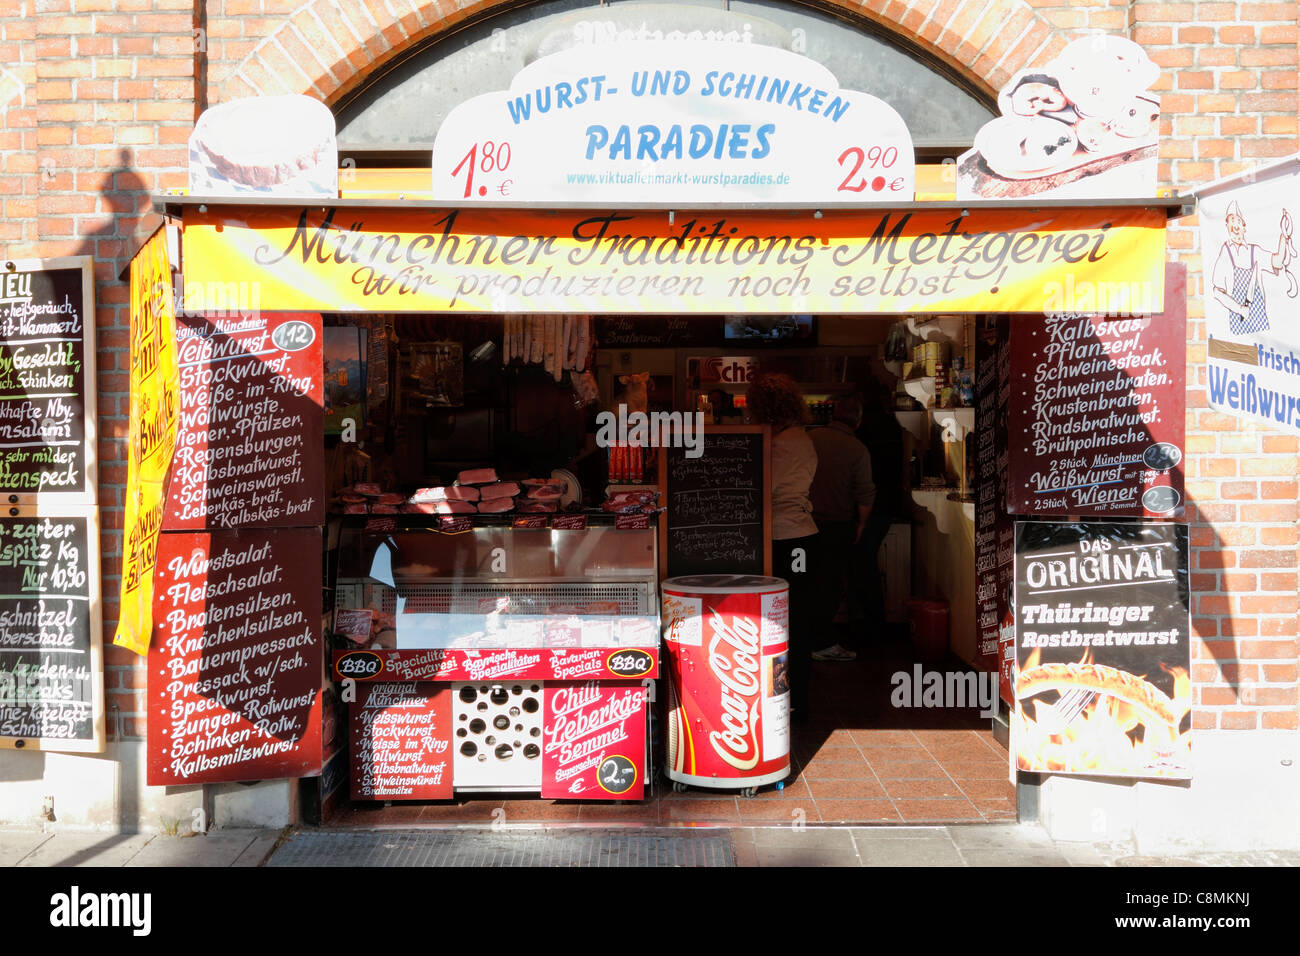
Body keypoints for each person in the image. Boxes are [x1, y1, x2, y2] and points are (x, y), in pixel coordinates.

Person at [745, 372, 818, 720]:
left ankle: (786, 696)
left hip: (783, 538)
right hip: (802, 535)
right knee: (799, 615)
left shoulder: (776, 444)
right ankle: (797, 695)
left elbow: (765, 489)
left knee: (782, 618)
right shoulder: (801, 437)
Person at [807, 395, 874, 662]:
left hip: (805, 525)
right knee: (831, 586)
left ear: (833, 413)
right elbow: (866, 494)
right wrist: (862, 525)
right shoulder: (857, 449)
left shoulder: (810, 439)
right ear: (858, 420)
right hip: (837, 525)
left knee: (809, 584)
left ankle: (805, 638)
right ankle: (822, 642)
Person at [854, 382, 908, 636]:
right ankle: (875, 622)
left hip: (870, 504)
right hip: (889, 501)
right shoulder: (893, 425)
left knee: (862, 564)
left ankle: (873, 624)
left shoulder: (862, 430)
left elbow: (862, 476)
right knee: (866, 563)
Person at [1210, 200, 1296, 336]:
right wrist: (1238, 308)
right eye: (1231, 221)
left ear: (1244, 227)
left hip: (1259, 318)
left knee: (1264, 353)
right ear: (1226, 226)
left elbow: (1278, 262)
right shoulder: (1226, 251)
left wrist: (1284, 237)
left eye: (1238, 221)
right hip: (1239, 320)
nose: (1235, 225)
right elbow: (1217, 291)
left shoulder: (1254, 251)